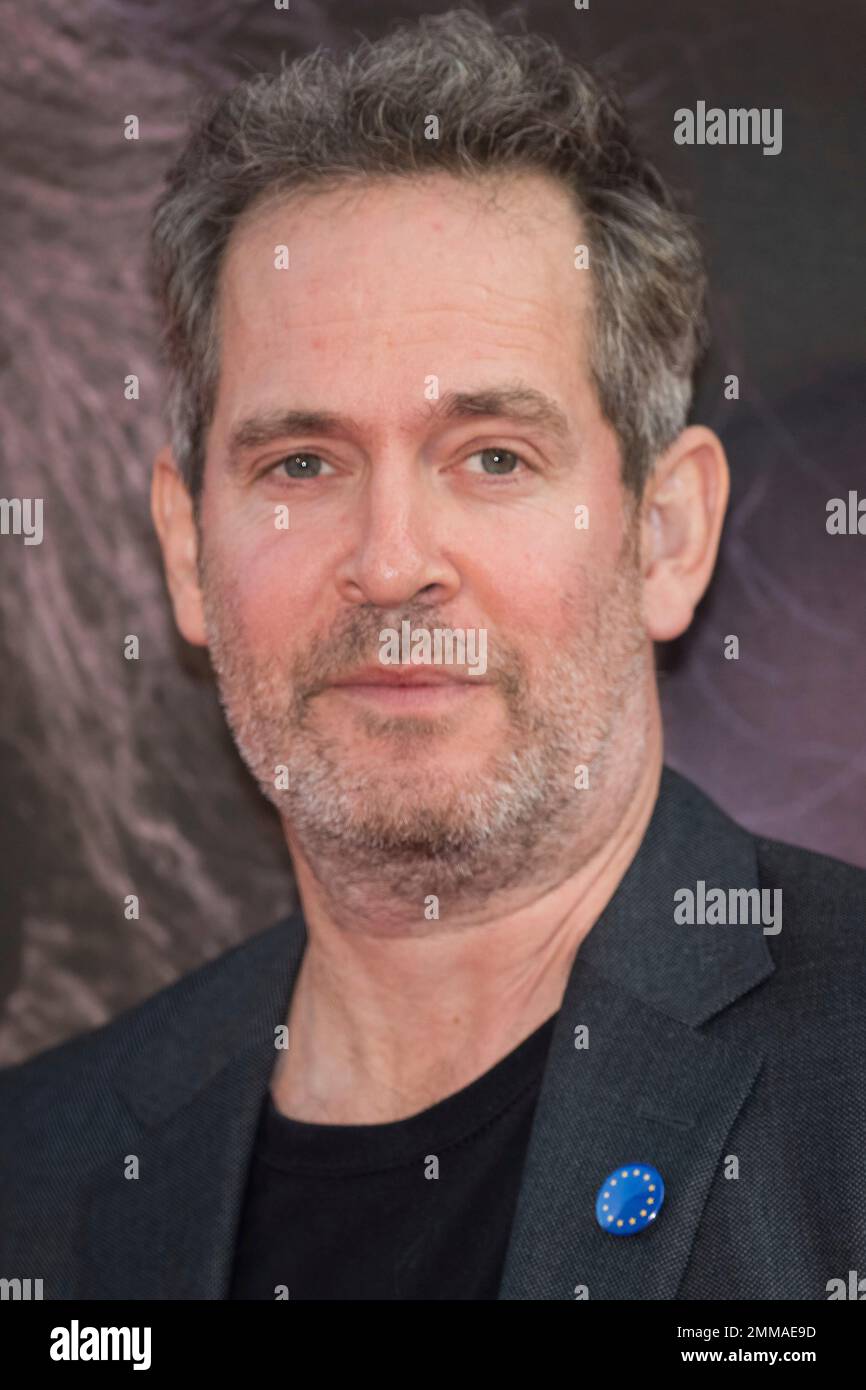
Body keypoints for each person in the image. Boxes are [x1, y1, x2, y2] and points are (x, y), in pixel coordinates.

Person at [1, 8, 863, 1302]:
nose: (391, 556)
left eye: (493, 456)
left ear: (665, 534)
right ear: (185, 549)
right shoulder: (36, 1172)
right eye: (301, 462)